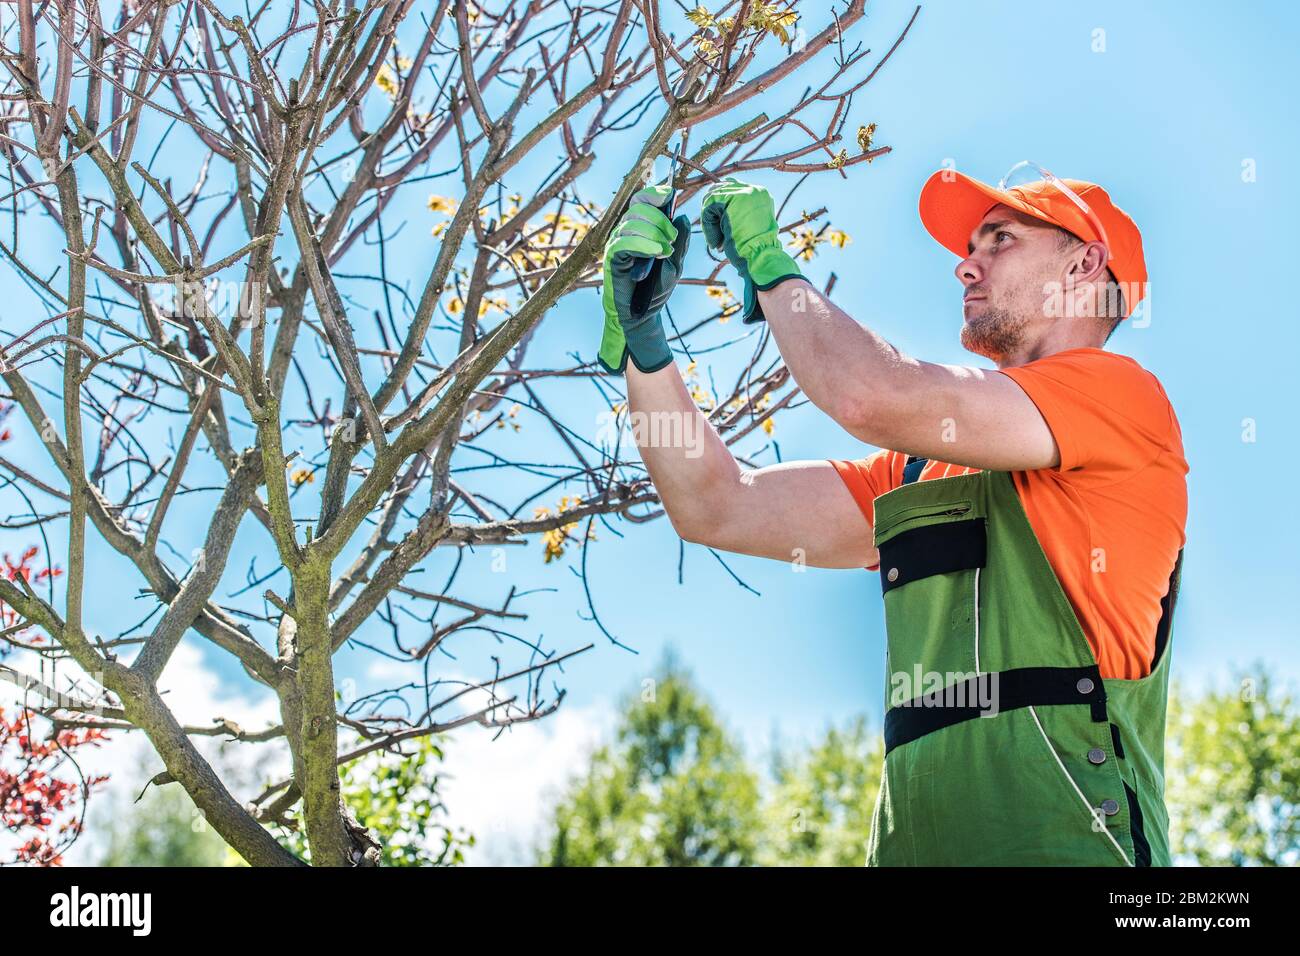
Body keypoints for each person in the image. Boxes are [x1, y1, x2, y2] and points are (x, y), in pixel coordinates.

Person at [595, 166, 1187, 866]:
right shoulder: (919, 472)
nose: (967, 265)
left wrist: (771, 267)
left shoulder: (1123, 399)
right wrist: (644, 346)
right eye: (972, 246)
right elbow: (714, 507)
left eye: (1001, 239)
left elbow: (870, 396)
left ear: (1085, 262)